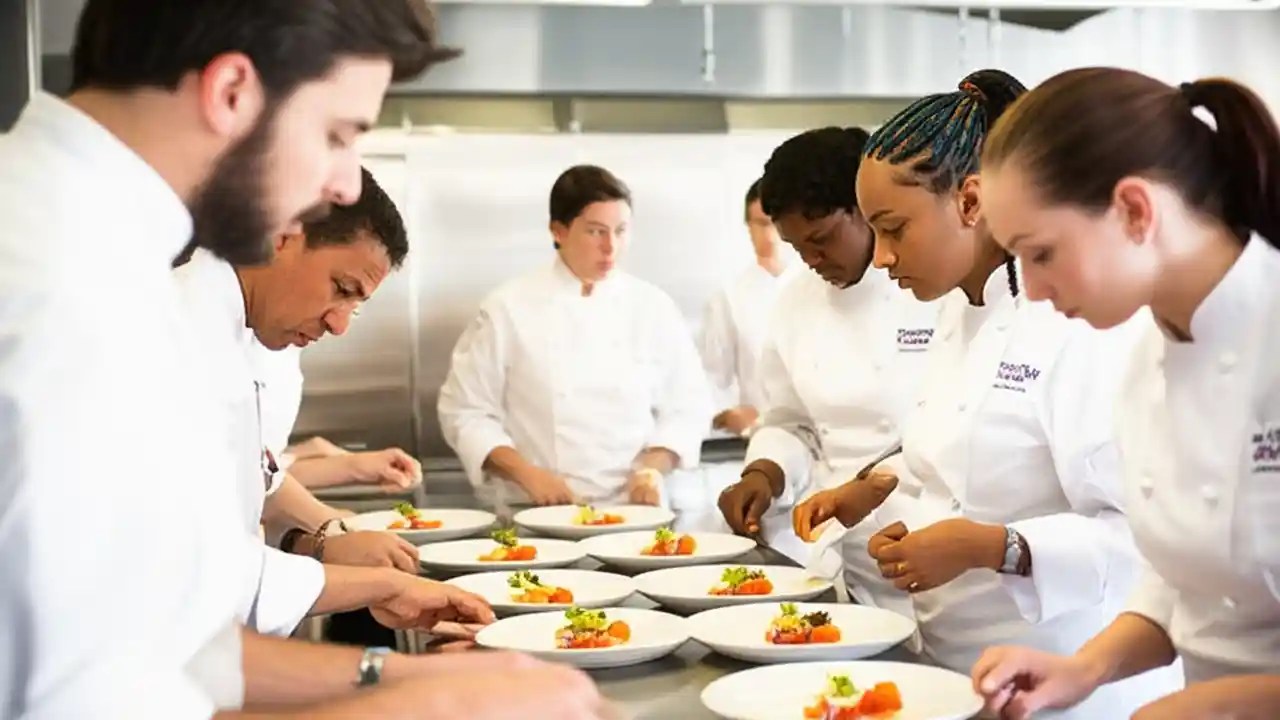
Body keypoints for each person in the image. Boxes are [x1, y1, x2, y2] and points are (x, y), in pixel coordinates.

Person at [0, 2, 608, 718]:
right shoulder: (55, 284)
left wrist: (403, 680)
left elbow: (151, 639)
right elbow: (88, 700)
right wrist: (433, 708)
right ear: (231, 93)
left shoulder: (99, 252)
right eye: (337, 135)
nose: (347, 184)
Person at [792, 69, 1184, 718]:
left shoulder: (1078, 321)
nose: (882, 258)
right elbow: (965, 453)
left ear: (970, 202)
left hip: (1067, 684)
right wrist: (882, 483)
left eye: (894, 228)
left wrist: (990, 546)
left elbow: (1137, 532)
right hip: (955, 668)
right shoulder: (957, 310)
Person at [970, 67, 1280, 720]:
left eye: (1042, 253)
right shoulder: (1147, 361)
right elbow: (1190, 583)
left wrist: (1224, 704)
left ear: (1136, 211)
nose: (1031, 288)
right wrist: (1084, 669)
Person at [715, 127, 940, 607]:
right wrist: (764, 473)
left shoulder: (934, 287)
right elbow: (790, 421)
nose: (812, 260)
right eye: (797, 247)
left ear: (864, 210)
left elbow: (952, 428)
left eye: (822, 240)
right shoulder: (794, 302)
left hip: (939, 559)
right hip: (848, 564)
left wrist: (874, 485)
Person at [438, 164, 712, 507]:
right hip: (536, 513)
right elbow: (464, 411)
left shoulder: (653, 307)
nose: (611, 247)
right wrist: (528, 475)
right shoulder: (508, 308)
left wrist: (653, 470)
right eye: (596, 232)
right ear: (559, 231)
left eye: (621, 230)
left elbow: (689, 406)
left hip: (634, 514)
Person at [256, 346, 423, 494]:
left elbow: (269, 475)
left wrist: (353, 465)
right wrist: (332, 521)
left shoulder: (286, 356)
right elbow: (251, 480)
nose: (339, 328)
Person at [699, 178, 793, 437]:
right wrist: (729, 413)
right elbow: (711, 377)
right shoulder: (729, 297)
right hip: (757, 437)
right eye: (761, 224)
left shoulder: (818, 287)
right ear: (748, 226)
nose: (770, 235)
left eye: (776, 223)